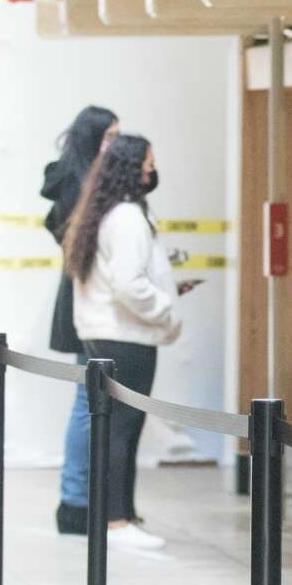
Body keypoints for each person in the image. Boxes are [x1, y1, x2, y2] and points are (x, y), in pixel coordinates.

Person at [63, 135, 189, 553]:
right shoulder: (129, 217)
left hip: (107, 335)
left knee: (119, 429)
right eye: (147, 164)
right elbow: (130, 284)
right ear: (131, 168)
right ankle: (116, 519)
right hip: (126, 338)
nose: (152, 172)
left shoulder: (105, 212)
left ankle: (122, 513)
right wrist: (166, 310)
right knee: (122, 430)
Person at [41, 105, 119, 535]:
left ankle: (80, 499)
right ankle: (75, 500)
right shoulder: (78, 184)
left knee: (87, 402)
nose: (115, 145)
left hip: (83, 298)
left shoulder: (78, 179)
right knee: (86, 404)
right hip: (84, 300)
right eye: (109, 136)